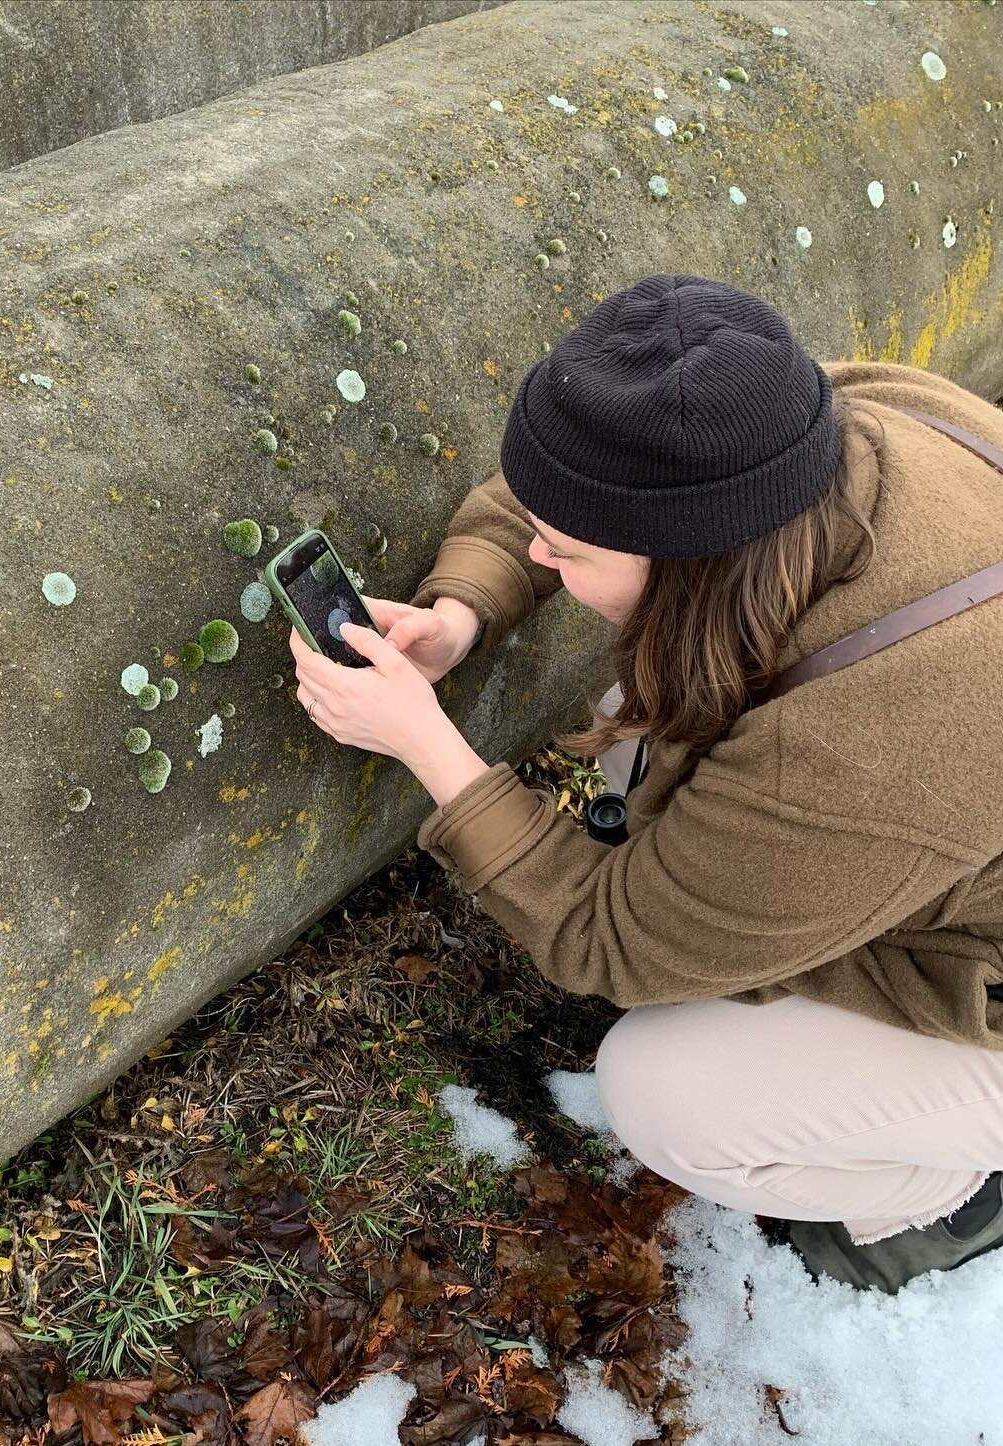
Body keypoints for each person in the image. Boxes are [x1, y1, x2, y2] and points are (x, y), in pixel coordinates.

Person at [287, 272, 1003, 1293]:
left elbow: (610, 939)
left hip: (977, 952)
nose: (539, 551)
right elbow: (554, 495)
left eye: (565, 552)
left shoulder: (859, 748)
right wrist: (463, 611)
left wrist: (428, 745)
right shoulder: (827, 430)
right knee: (637, 701)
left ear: (691, 555)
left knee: (667, 1087)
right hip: (939, 823)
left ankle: (940, 1201)